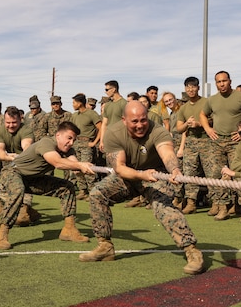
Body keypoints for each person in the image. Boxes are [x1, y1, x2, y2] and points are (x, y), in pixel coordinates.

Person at [79, 101, 206, 275]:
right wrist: (141, 175)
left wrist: (174, 169)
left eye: (143, 120)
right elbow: (120, 168)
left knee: (163, 207)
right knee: (97, 194)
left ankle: (192, 251)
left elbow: (167, 153)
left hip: (155, 175)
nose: (140, 125)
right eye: (134, 121)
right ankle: (105, 247)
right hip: (128, 175)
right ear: (124, 120)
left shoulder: (158, 130)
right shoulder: (113, 134)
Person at [0, 121, 94, 249]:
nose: (71, 143)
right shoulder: (47, 143)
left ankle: (69, 230)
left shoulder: (68, 149)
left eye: (74, 140)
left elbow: (74, 166)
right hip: (13, 172)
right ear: (58, 135)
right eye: (69, 138)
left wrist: (84, 169)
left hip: (32, 178)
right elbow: (57, 162)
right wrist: (80, 165)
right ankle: (1, 234)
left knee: (67, 188)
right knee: (18, 190)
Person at [200, 70, 241, 220]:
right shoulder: (212, 100)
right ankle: (223, 207)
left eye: (224, 81)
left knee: (239, 174)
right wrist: (208, 129)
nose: (222, 84)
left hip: (236, 142)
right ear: (215, 83)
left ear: (230, 81)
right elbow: (202, 115)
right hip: (217, 142)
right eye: (218, 82)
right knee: (217, 175)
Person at [176, 76, 209, 214]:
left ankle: (219, 205)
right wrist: (187, 124)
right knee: (189, 174)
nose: (191, 89)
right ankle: (191, 203)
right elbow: (179, 128)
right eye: (188, 87)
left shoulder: (207, 102)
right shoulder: (183, 108)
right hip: (191, 143)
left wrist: (199, 124)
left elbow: (214, 120)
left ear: (198, 88)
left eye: (193, 86)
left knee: (212, 173)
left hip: (207, 142)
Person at [70, 93, 101, 200]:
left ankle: (93, 192)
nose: (73, 105)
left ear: (79, 103)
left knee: (88, 169)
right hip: (76, 144)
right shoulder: (74, 115)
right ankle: (83, 190)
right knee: (77, 169)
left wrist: (94, 142)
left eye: (74, 102)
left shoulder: (92, 114)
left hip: (87, 144)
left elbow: (101, 128)